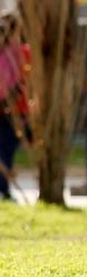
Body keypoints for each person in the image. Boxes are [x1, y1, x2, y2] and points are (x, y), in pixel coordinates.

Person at [0, 13, 30, 202]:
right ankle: (3, 188)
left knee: (4, 148)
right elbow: (22, 81)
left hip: (10, 107)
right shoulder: (19, 53)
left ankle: (4, 188)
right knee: (6, 149)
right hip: (14, 109)